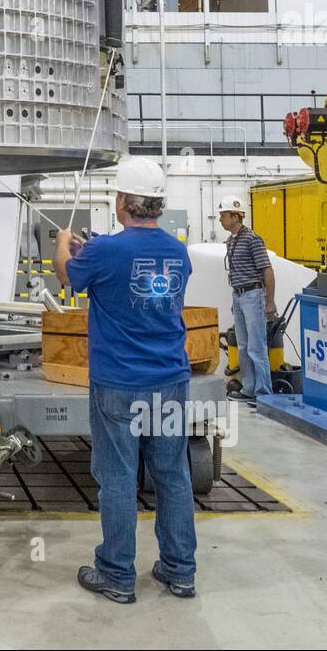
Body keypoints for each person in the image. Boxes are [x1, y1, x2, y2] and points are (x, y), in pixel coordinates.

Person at [54, 157, 197, 603]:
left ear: (121, 202)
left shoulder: (104, 251)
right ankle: (180, 571)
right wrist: (91, 252)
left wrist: (63, 245)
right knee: (172, 475)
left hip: (118, 382)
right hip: (170, 379)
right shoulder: (178, 252)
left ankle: (116, 575)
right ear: (157, 204)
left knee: (117, 478)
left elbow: (67, 277)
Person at [218, 193, 276, 406]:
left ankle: (264, 393)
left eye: (223, 215)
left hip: (253, 295)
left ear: (235, 216)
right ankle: (249, 388)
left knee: (256, 347)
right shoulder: (231, 241)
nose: (220, 219)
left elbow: (267, 270)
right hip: (239, 295)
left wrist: (269, 302)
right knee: (243, 346)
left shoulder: (252, 239)